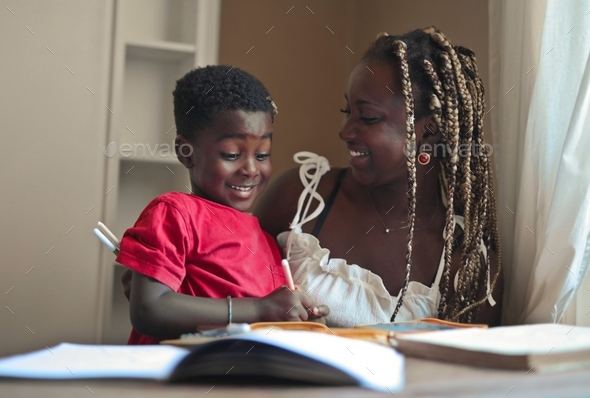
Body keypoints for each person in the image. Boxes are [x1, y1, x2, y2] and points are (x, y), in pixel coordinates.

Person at [255, 27, 503, 327]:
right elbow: (226, 287)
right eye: (347, 111)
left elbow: (473, 370)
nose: (345, 132)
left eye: (368, 117)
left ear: (427, 131)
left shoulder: (466, 261)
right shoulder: (300, 197)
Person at [116, 65, 329, 344]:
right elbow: (149, 309)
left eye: (263, 154)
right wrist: (258, 309)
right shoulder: (174, 213)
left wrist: (301, 318)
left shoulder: (265, 241)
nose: (251, 169)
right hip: (175, 381)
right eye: (231, 154)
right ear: (186, 152)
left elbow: (269, 322)